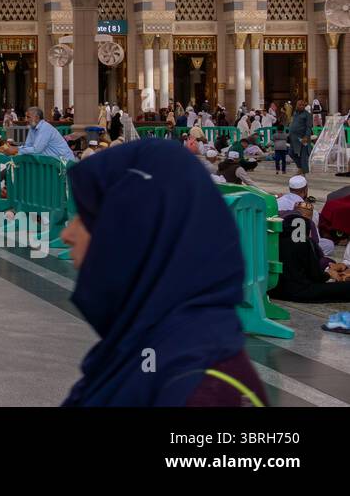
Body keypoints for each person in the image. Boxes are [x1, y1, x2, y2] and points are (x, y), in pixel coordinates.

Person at [59, 138, 266, 406]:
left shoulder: (205, 388)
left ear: (137, 232)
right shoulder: (139, 346)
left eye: (86, 216)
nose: (67, 234)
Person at [2, 105, 77, 162]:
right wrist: (13, 148)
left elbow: (36, 149)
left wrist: (16, 150)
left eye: (28, 117)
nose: (26, 120)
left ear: (37, 118)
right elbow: (28, 145)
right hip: (51, 164)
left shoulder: (45, 128)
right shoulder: (32, 128)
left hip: (64, 164)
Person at [289, 99, 313, 175]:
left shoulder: (307, 115)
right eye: (300, 105)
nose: (302, 106)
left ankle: (303, 172)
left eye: (303, 105)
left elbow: (309, 127)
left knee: (303, 156)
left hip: (303, 138)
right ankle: (300, 167)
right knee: (291, 153)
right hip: (294, 138)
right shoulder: (295, 113)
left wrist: (306, 137)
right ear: (297, 105)